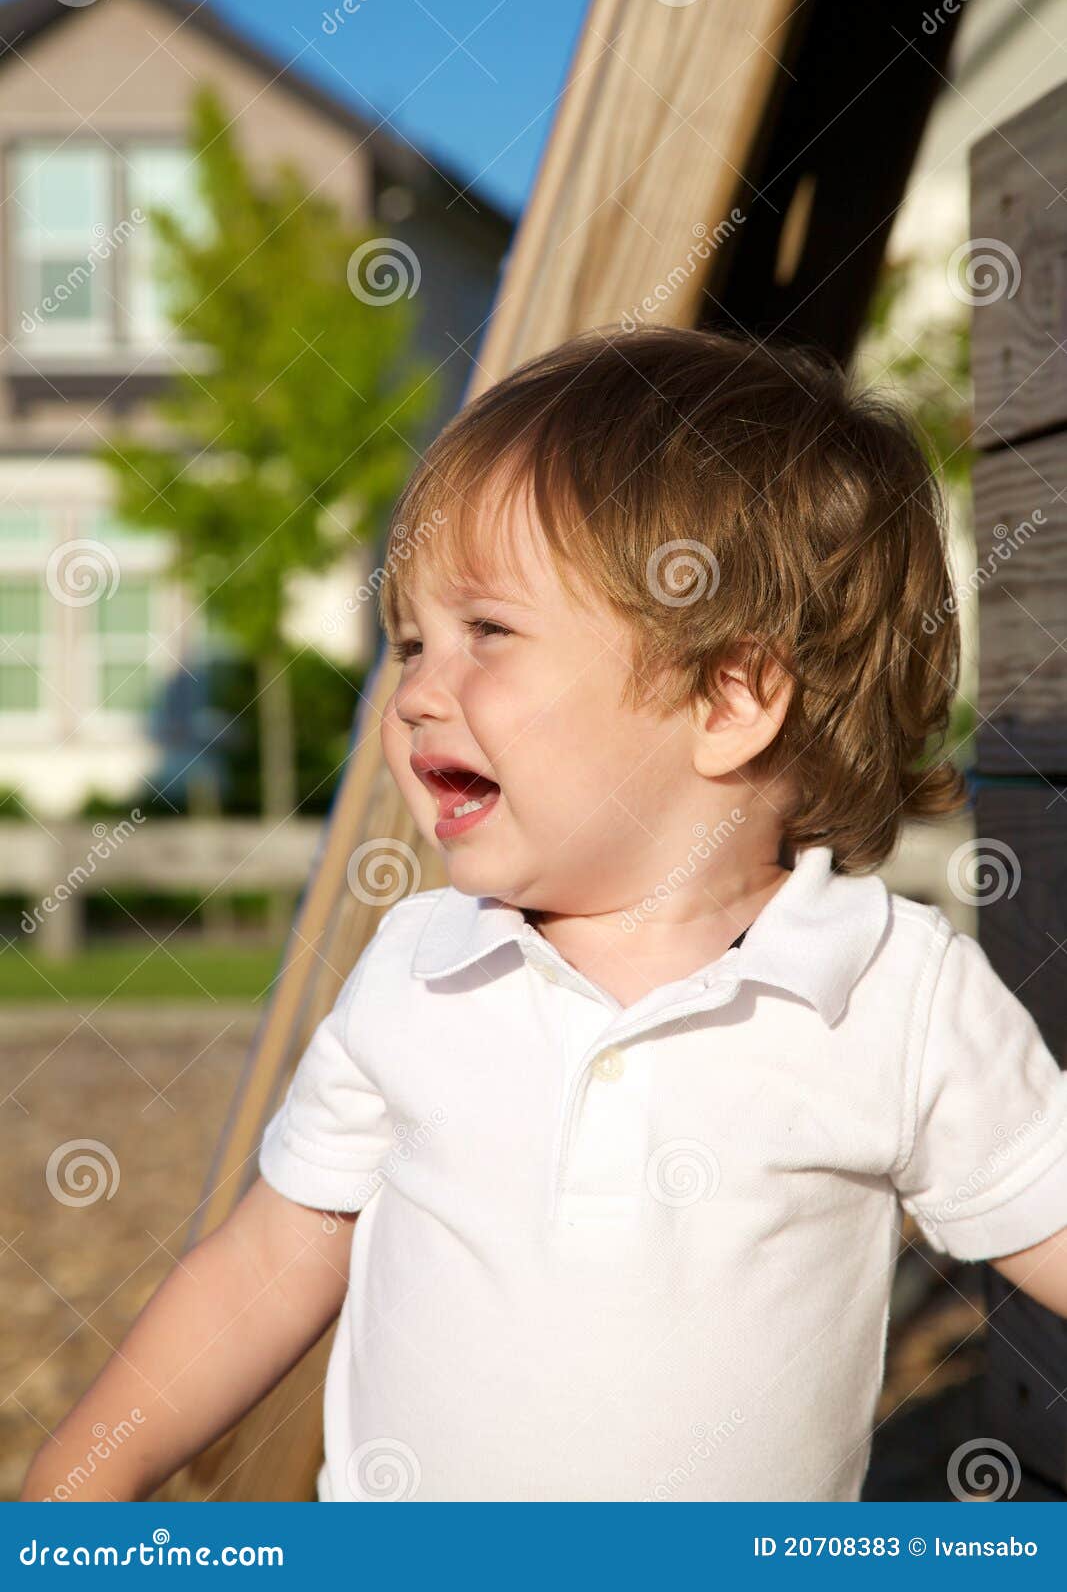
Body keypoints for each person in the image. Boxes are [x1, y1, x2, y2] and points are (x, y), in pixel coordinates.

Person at [21, 324, 1067, 1504]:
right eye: (410, 641)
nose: (414, 690)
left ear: (728, 695)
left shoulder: (889, 994)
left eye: (487, 634)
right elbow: (268, 1262)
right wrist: (77, 1487)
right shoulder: (420, 968)